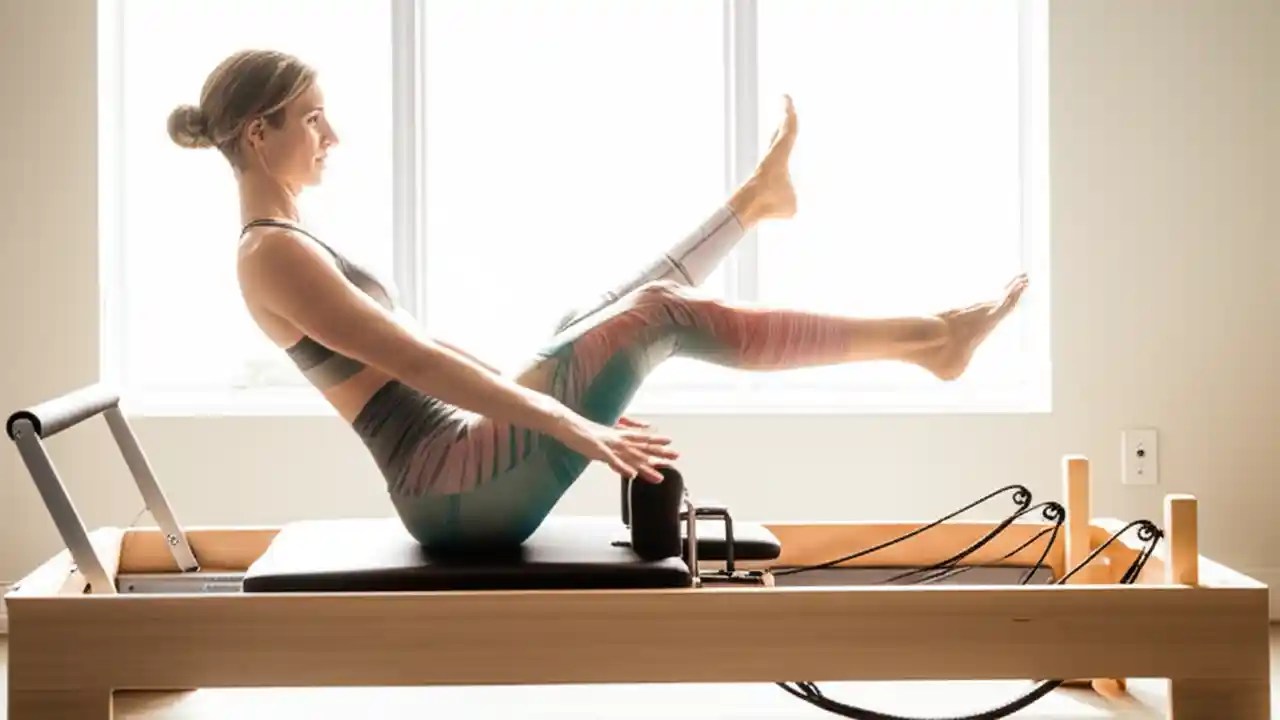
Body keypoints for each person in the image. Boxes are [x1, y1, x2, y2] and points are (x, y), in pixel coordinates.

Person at [167, 50, 1028, 550]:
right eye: (314, 119)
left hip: (460, 464)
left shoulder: (293, 243)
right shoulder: (269, 257)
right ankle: (933, 341)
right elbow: (416, 363)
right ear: (258, 134)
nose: (333, 136)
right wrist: (569, 421)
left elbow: (431, 349)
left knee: (597, 319)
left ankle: (753, 205)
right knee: (652, 317)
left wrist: (555, 364)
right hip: (450, 490)